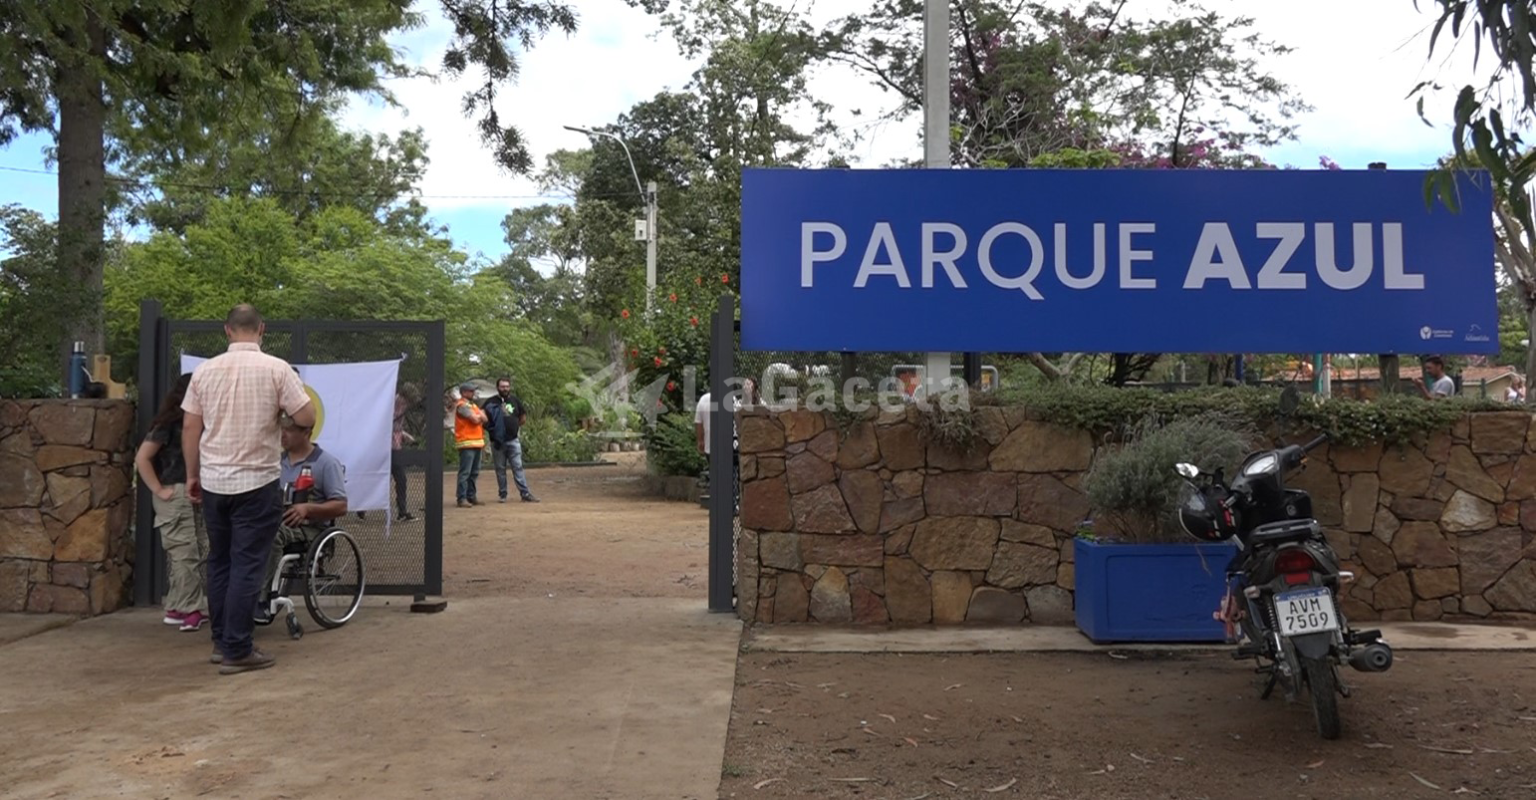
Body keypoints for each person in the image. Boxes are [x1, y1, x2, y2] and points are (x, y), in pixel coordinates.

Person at [182, 304, 314, 675]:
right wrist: (282, 413)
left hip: (214, 482)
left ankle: (221, 641)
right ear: (262, 330)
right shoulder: (277, 369)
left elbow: (191, 428)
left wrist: (193, 474)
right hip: (257, 481)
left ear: (227, 330)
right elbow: (306, 417)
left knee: (219, 561)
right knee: (247, 564)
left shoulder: (203, 372)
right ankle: (237, 649)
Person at [133, 373, 209, 633]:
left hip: (191, 493)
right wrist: (158, 489)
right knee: (185, 553)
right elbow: (142, 458)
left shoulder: (195, 422)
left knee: (194, 550)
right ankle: (192, 610)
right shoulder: (168, 424)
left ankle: (177, 606)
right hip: (174, 493)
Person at [260, 414, 348, 613]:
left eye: (288, 430)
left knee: (272, 534)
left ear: (307, 433)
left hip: (310, 529)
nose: (282, 434)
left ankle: (261, 597)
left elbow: (341, 506)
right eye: (280, 429)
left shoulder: (326, 463)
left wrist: (308, 509)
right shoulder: (275, 462)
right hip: (277, 521)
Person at [483, 377, 539, 503]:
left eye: (507, 386)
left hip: (513, 440)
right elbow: (482, 416)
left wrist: (514, 426)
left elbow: (523, 416)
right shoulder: (490, 402)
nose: (505, 389)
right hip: (497, 442)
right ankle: (503, 494)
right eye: (502, 386)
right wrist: (491, 429)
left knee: (518, 467)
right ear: (497, 387)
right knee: (500, 469)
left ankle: (525, 493)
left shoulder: (515, 400)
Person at [453, 382, 488, 507]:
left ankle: (471, 496)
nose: (473, 393)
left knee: (474, 472)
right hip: (466, 442)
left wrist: (479, 416)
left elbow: (485, 419)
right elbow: (475, 419)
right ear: (464, 392)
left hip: (477, 443)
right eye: (471, 391)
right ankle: (461, 498)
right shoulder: (462, 405)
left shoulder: (472, 405)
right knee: (465, 472)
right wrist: (479, 416)